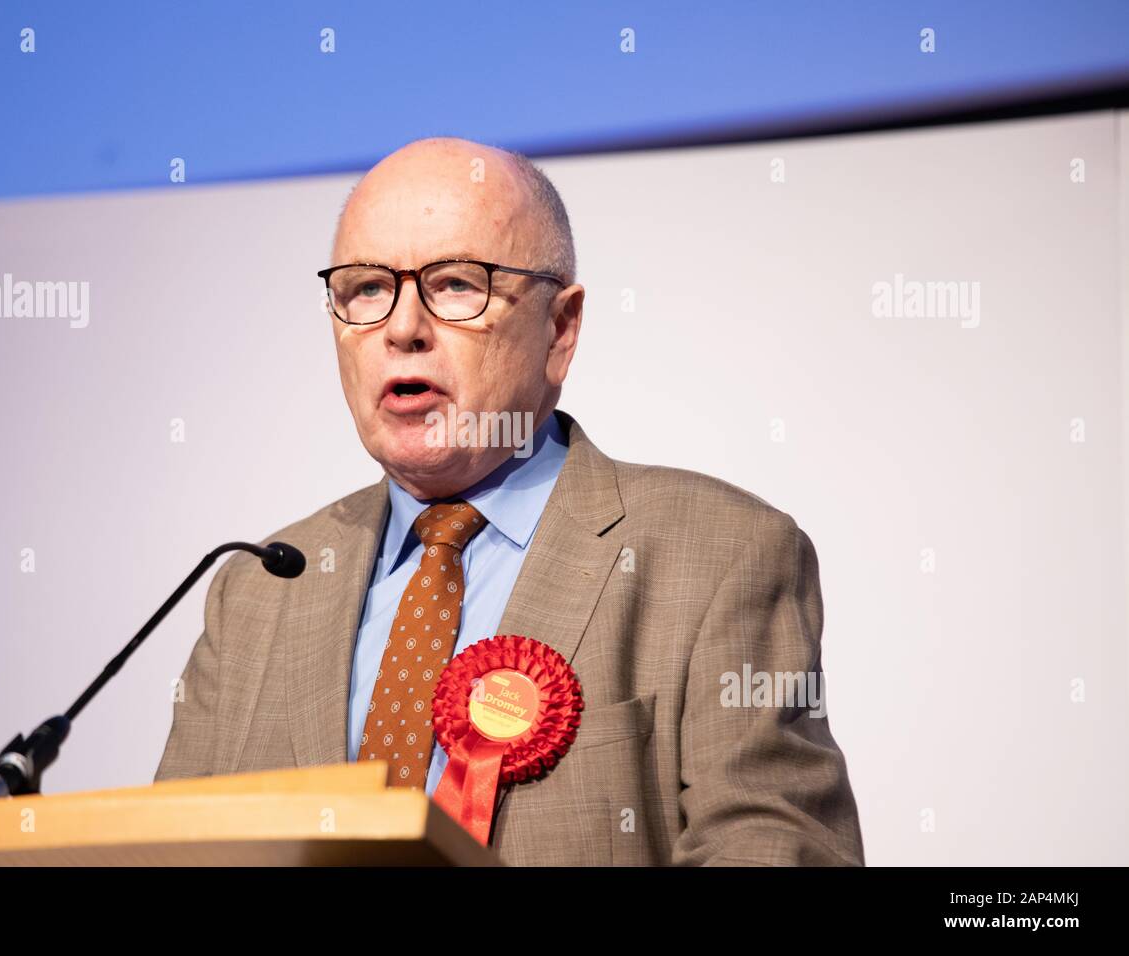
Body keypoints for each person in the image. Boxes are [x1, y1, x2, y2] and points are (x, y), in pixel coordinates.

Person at [156, 137, 864, 866]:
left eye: (457, 284)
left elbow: (774, 849)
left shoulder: (721, 554)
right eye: (366, 289)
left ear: (560, 329)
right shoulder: (256, 592)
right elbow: (164, 852)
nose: (402, 330)